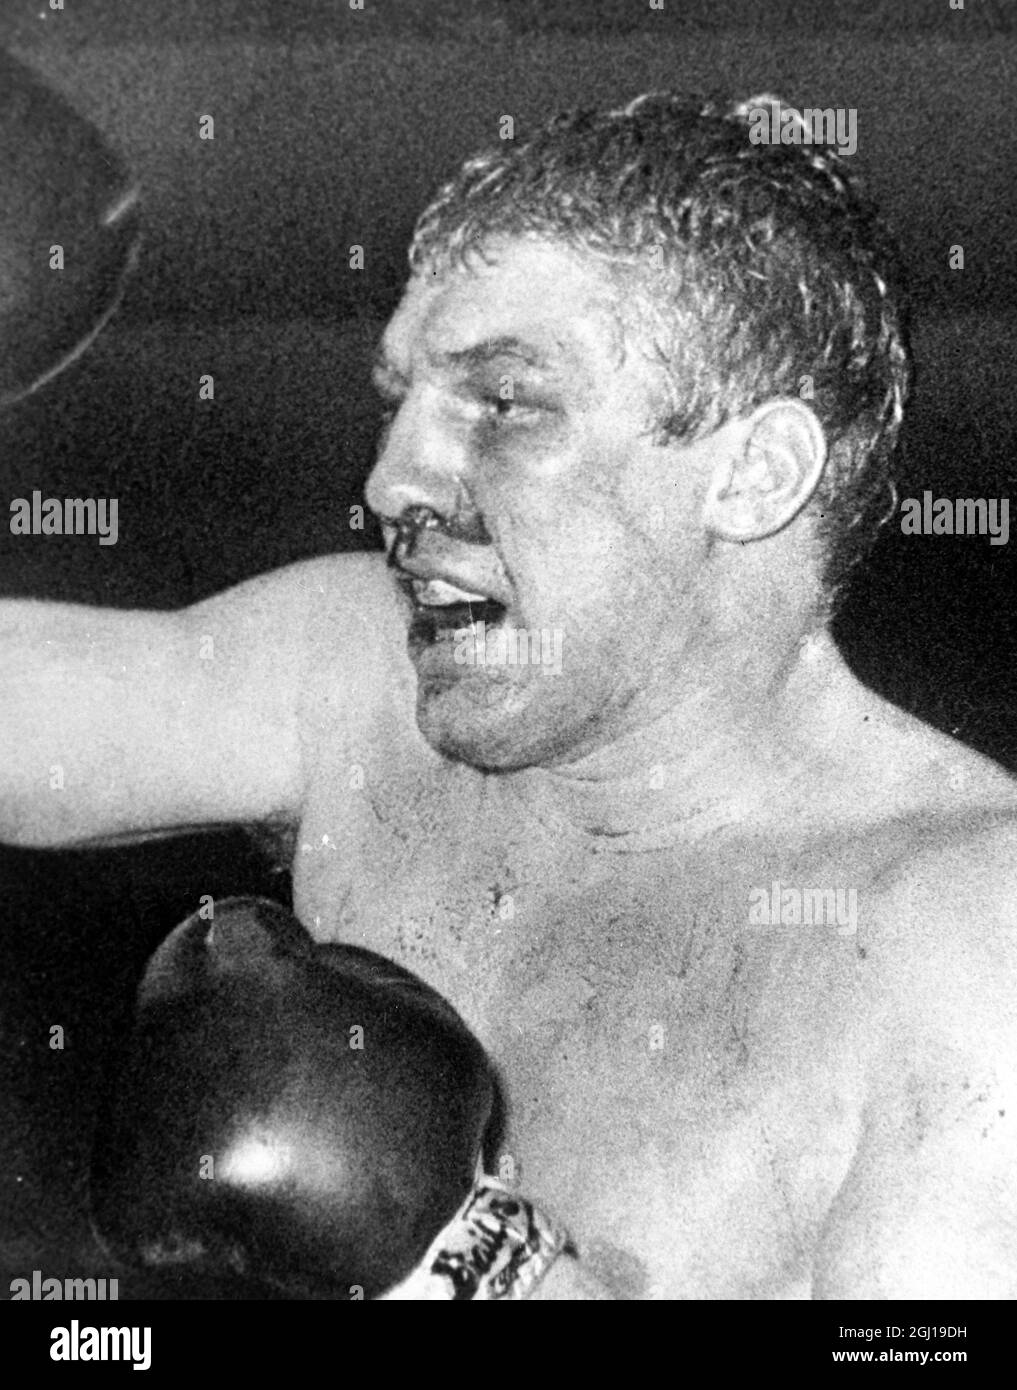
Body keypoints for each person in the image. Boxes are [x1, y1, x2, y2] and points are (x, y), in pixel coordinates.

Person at [3, 89, 1016, 1300]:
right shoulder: (361, 678)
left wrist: (482, 1275)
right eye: (401, 400)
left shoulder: (965, 942)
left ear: (753, 475)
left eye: (506, 401)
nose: (390, 479)